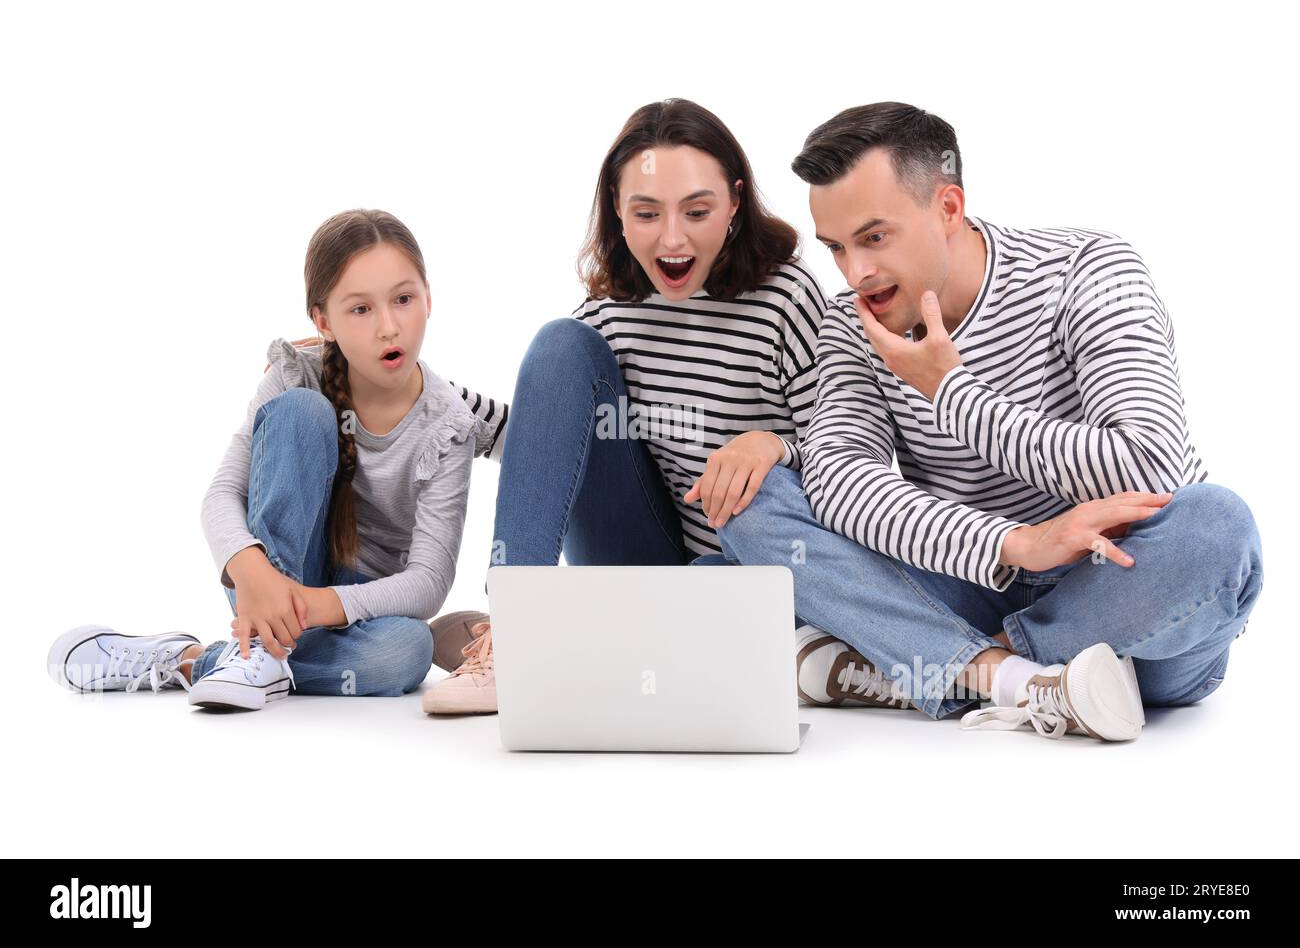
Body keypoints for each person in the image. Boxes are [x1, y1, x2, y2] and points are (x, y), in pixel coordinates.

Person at [715, 102, 1263, 741]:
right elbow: (841, 480)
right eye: (837, 248)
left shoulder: (1088, 271)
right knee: (751, 506)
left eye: (874, 237)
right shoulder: (851, 323)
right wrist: (1017, 544)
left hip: (1131, 594)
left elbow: (1150, 462)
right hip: (977, 575)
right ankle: (1016, 682)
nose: (856, 272)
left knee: (1219, 530)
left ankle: (925, 665)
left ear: (947, 209)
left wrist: (951, 392)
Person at [422, 98, 832, 714]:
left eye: (697, 211)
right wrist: (403, 388)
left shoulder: (787, 298)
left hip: (746, 565)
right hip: (646, 554)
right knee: (561, 343)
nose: (672, 239)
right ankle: (514, 632)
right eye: (646, 213)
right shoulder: (611, 314)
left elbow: (848, 455)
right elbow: (547, 449)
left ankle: (582, 641)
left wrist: (774, 445)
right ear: (617, 210)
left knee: (716, 604)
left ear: (736, 203)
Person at [48, 209, 476, 710]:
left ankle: (199, 660)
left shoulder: (448, 424)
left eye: (404, 300)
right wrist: (253, 570)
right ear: (323, 322)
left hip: (352, 610)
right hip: (268, 577)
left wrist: (319, 606)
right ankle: (259, 651)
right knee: (301, 412)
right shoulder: (294, 374)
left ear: (429, 298)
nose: (389, 327)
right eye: (360, 309)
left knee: (406, 651)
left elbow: (427, 582)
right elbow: (221, 494)